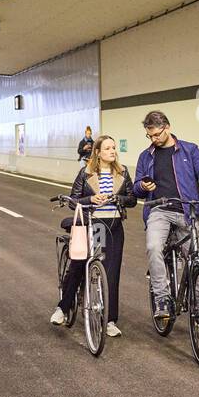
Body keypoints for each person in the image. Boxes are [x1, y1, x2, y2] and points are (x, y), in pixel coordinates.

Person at [132, 111, 199, 322]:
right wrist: (143, 186)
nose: (153, 139)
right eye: (149, 136)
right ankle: (162, 299)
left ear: (167, 127)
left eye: (157, 135)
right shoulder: (146, 156)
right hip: (159, 210)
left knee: (195, 259)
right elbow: (136, 189)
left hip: (188, 211)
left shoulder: (189, 149)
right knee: (153, 247)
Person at [51, 136, 137, 336]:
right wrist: (90, 198)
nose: (112, 151)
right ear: (98, 152)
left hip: (114, 226)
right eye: (107, 148)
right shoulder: (86, 173)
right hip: (95, 225)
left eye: (114, 147)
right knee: (81, 264)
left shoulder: (122, 172)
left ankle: (110, 321)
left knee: (112, 274)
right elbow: (74, 200)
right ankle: (62, 308)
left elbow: (132, 200)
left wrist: (119, 198)